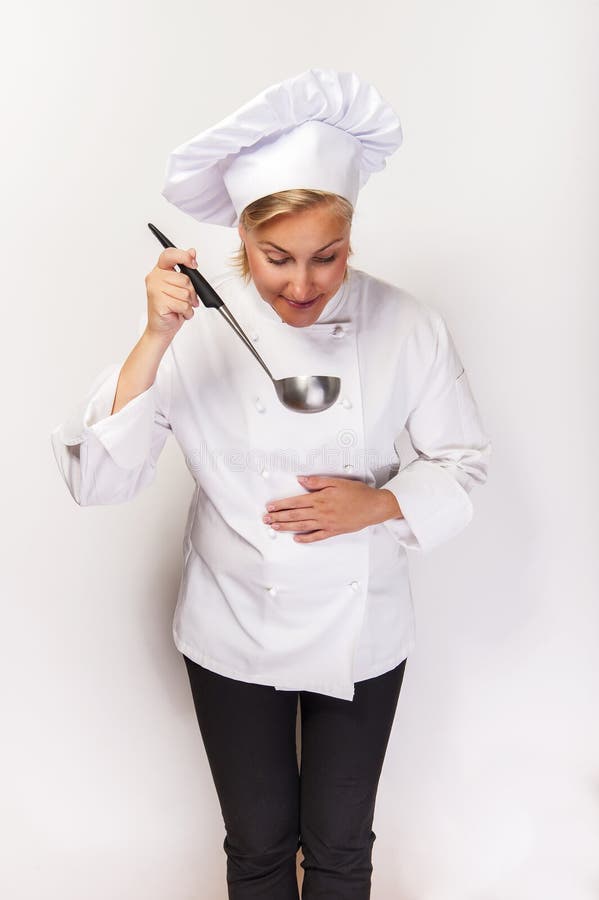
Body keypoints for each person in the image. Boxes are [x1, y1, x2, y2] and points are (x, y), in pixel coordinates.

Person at [51, 68, 492, 899]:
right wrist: (152, 336)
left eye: (325, 258)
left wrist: (384, 500)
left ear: (351, 239)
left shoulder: (406, 323)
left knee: (340, 848)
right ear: (239, 243)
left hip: (364, 627)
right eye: (275, 258)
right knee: (256, 847)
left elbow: (463, 460)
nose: (299, 284)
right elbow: (96, 481)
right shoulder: (195, 330)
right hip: (232, 623)